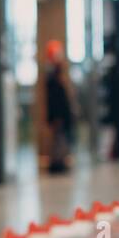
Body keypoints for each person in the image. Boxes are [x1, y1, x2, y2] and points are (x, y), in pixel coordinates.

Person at [44, 40, 76, 174]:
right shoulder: (52, 77)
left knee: (60, 139)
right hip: (59, 116)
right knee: (58, 139)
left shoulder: (56, 76)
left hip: (61, 115)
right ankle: (57, 164)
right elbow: (53, 100)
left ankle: (59, 162)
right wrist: (55, 116)